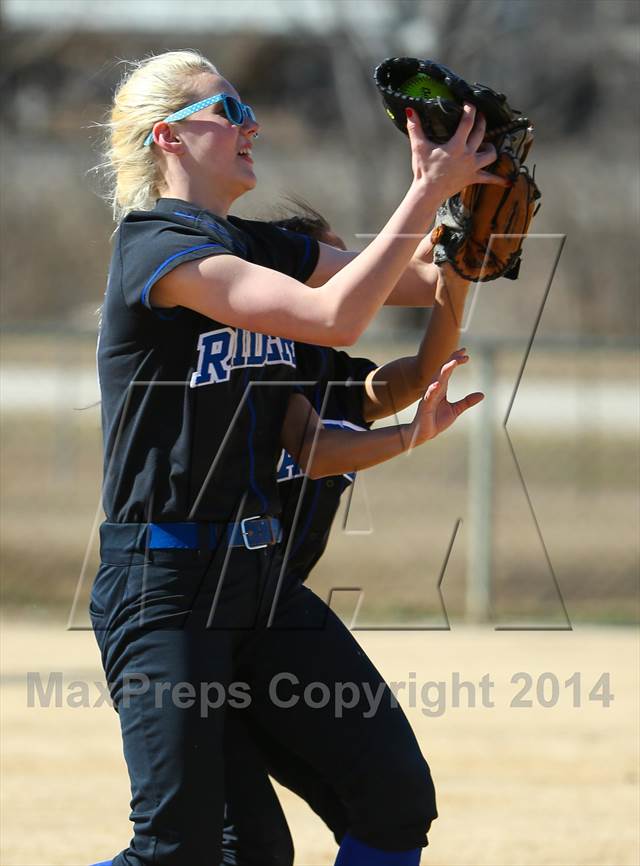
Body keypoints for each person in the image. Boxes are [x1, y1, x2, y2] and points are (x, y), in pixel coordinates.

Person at [89, 49, 505, 866]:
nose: (252, 128)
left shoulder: (262, 245)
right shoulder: (156, 251)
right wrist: (429, 190)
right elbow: (337, 320)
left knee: (392, 798)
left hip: (259, 582)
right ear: (167, 138)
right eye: (228, 114)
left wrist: (468, 225)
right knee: (181, 851)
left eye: (249, 112)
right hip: (164, 587)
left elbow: (417, 284)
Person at [219, 205, 474, 866]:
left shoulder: (327, 373)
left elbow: (417, 375)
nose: (352, 275)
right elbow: (313, 449)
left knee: (393, 803)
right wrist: (411, 433)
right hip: (203, 616)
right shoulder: (257, 369)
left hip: (271, 619)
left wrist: (462, 275)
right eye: (332, 264)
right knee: (241, 849)